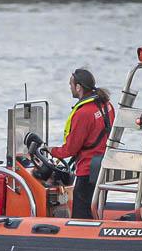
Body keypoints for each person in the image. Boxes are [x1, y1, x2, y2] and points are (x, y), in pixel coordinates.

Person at [42, 67, 115, 219]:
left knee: (81, 216)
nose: (70, 88)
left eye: (71, 85)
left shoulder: (83, 113)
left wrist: (51, 150)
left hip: (87, 172)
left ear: (78, 87)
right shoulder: (106, 105)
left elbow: (70, 149)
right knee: (96, 210)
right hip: (103, 167)